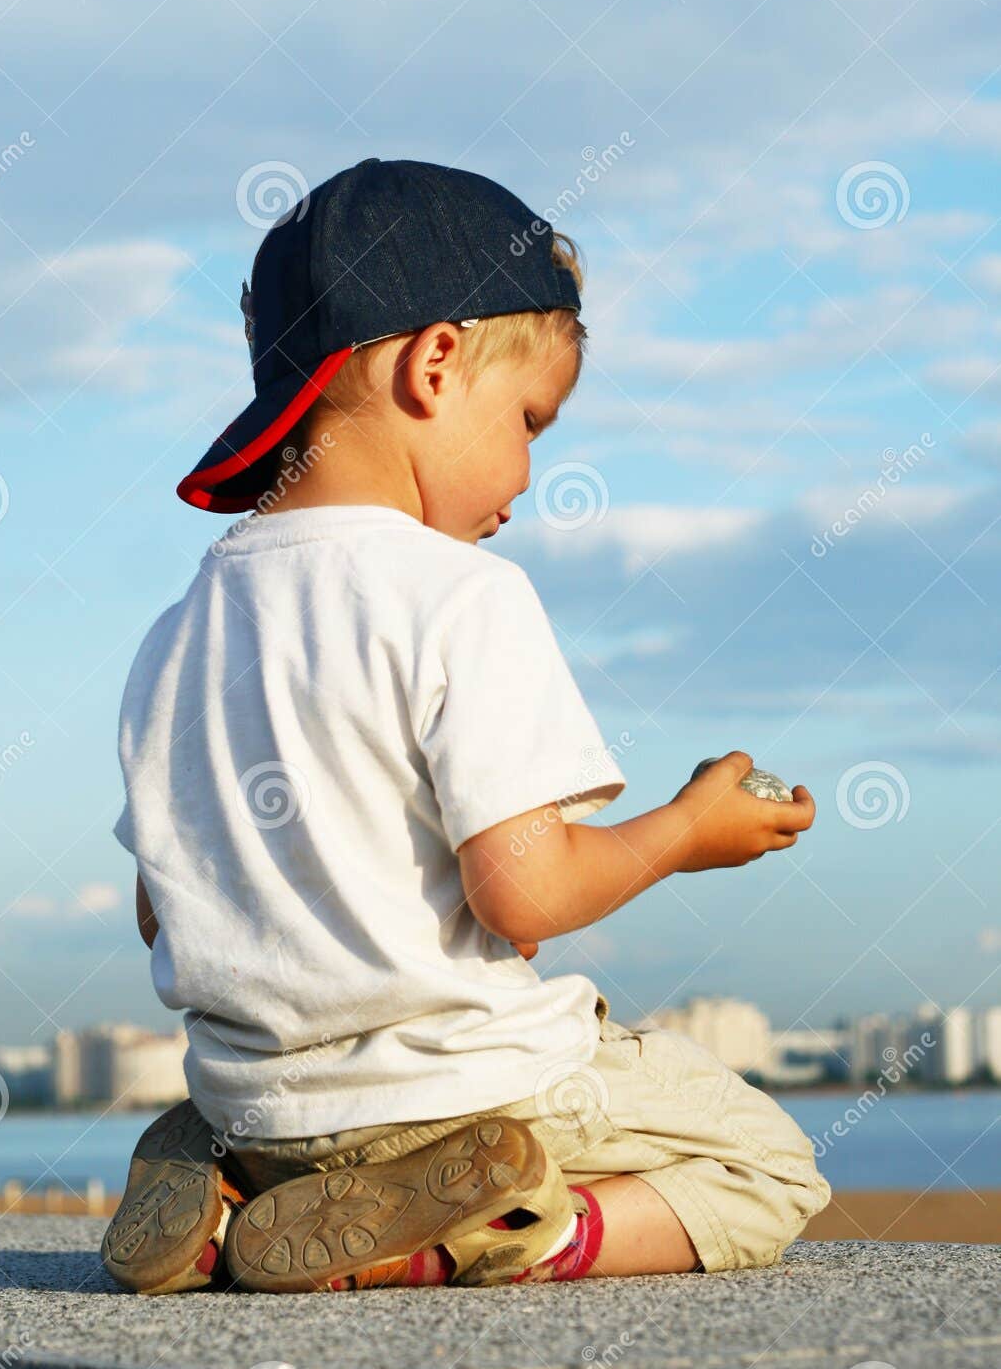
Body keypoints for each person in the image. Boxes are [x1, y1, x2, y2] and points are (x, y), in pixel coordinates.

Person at [103, 157, 830, 1297]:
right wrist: (687, 830)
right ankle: (508, 1228)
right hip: (469, 1091)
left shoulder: (176, 630)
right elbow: (526, 895)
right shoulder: (460, 593)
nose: (530, 473)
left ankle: (229, 1187)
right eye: (530, 419)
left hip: (258, 1100)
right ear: (435, 364)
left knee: (275, 1119)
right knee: (768, 1166)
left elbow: (168, 900)